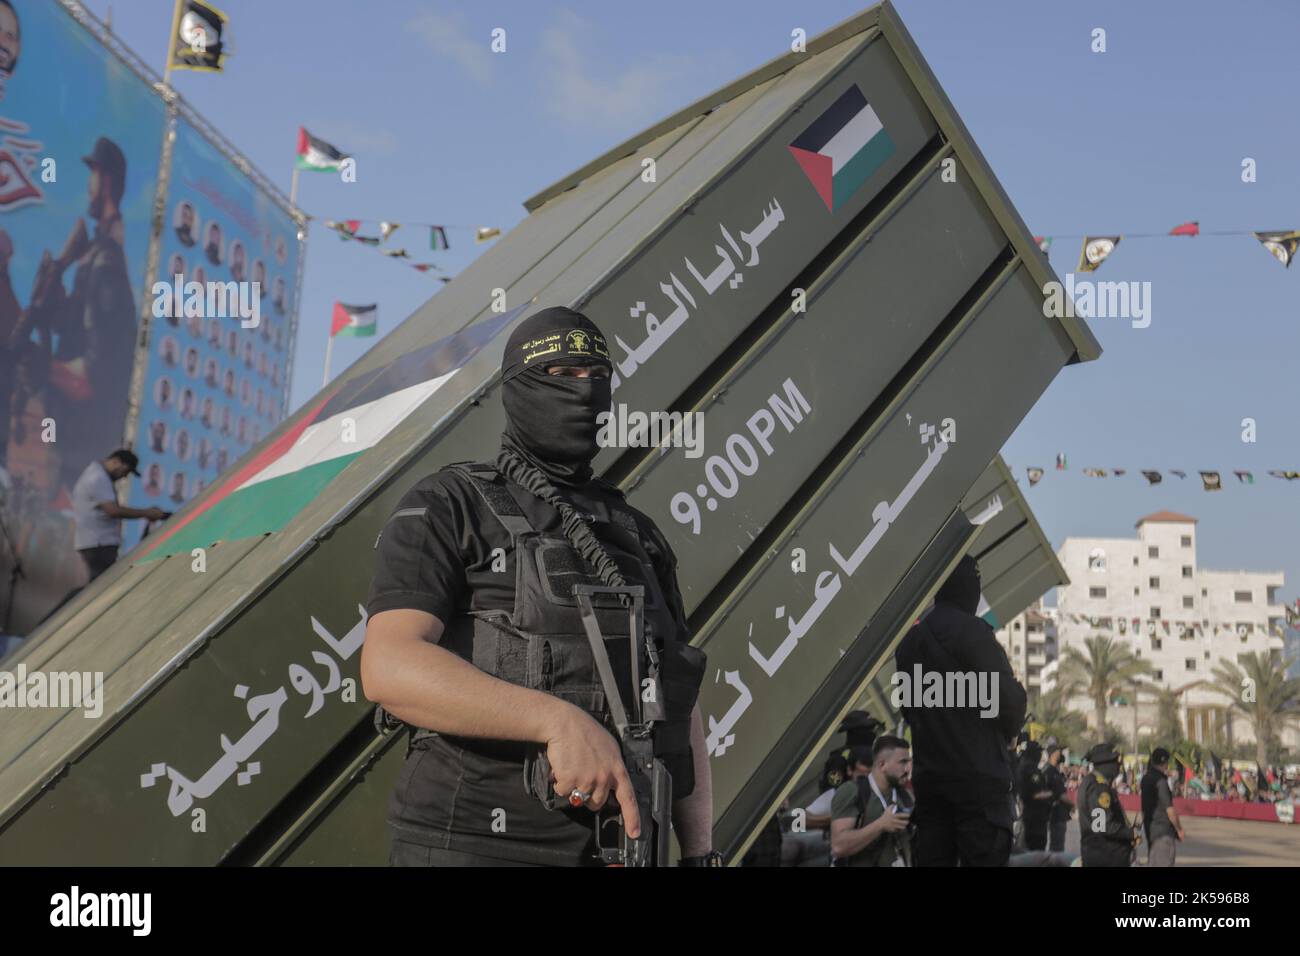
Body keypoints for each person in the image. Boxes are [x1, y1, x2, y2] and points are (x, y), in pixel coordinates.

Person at [361, 306, 713, 867]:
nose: (584, 391)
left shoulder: (637, 535)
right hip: (472, 843)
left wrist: (700, 852)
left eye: (597, 377)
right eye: (562, 375)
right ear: (517, 388)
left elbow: (680, 702)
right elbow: (390, 667)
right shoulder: (450, 504)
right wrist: (554, 721)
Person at [895, 554, 1026, 866]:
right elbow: (1010, 702)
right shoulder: (974, 632)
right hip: (978, 787)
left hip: (931, 786)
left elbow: (909, 710)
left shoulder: (909, 642)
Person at [71, 449, 166, 581]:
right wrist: (146, 513)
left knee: (97, 587)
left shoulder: (96, 475)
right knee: (100, 588)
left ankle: (73, 601)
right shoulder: (98, 478)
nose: (124, 476)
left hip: (97, 543)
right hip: (99, 544)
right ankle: (71, 602)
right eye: (125, 471)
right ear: (116, 462)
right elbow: (113, 511)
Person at [829, 735, 914, 867]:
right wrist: (880, 825)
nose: (908, 768)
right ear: (882, 764)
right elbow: (839, 847)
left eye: (909, 762)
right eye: (902, 762)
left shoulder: (904, 795)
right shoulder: (852, 791)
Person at [1077, 743, 1138, 867]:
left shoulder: (1090, 781)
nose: (1119, 766)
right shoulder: (1099, 787)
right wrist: (1130, 833)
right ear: (1106, 764)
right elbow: (1101, 825)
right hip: (1105, 856)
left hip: (1099, 854)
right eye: (1116, 762)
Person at [1140, 747, 1183, 866]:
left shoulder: (1145, 779)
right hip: (1163, 833)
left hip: (1151, 831)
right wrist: (1179, 829)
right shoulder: (1161, 782)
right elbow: (1170, 810)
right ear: (1165, 763)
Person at [1018, 740, 1053, 851]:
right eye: (1038, 752)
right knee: (1036, 850)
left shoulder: (1028, 768)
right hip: (1034, 817)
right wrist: (1052, 793)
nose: (1040, 755)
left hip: (1035, 817)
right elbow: (1035, 794)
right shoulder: (1030, 770)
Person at [1044, 745, 1071, 852]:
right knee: (1057, 847)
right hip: (1056, 814)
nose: (1061, 755)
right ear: (1053, 754)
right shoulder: (1051, 772)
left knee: (1056, 846)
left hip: (1056, 814)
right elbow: (1061, 795)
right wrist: (1073, 805)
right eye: (1059, 753)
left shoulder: (1053, 771)